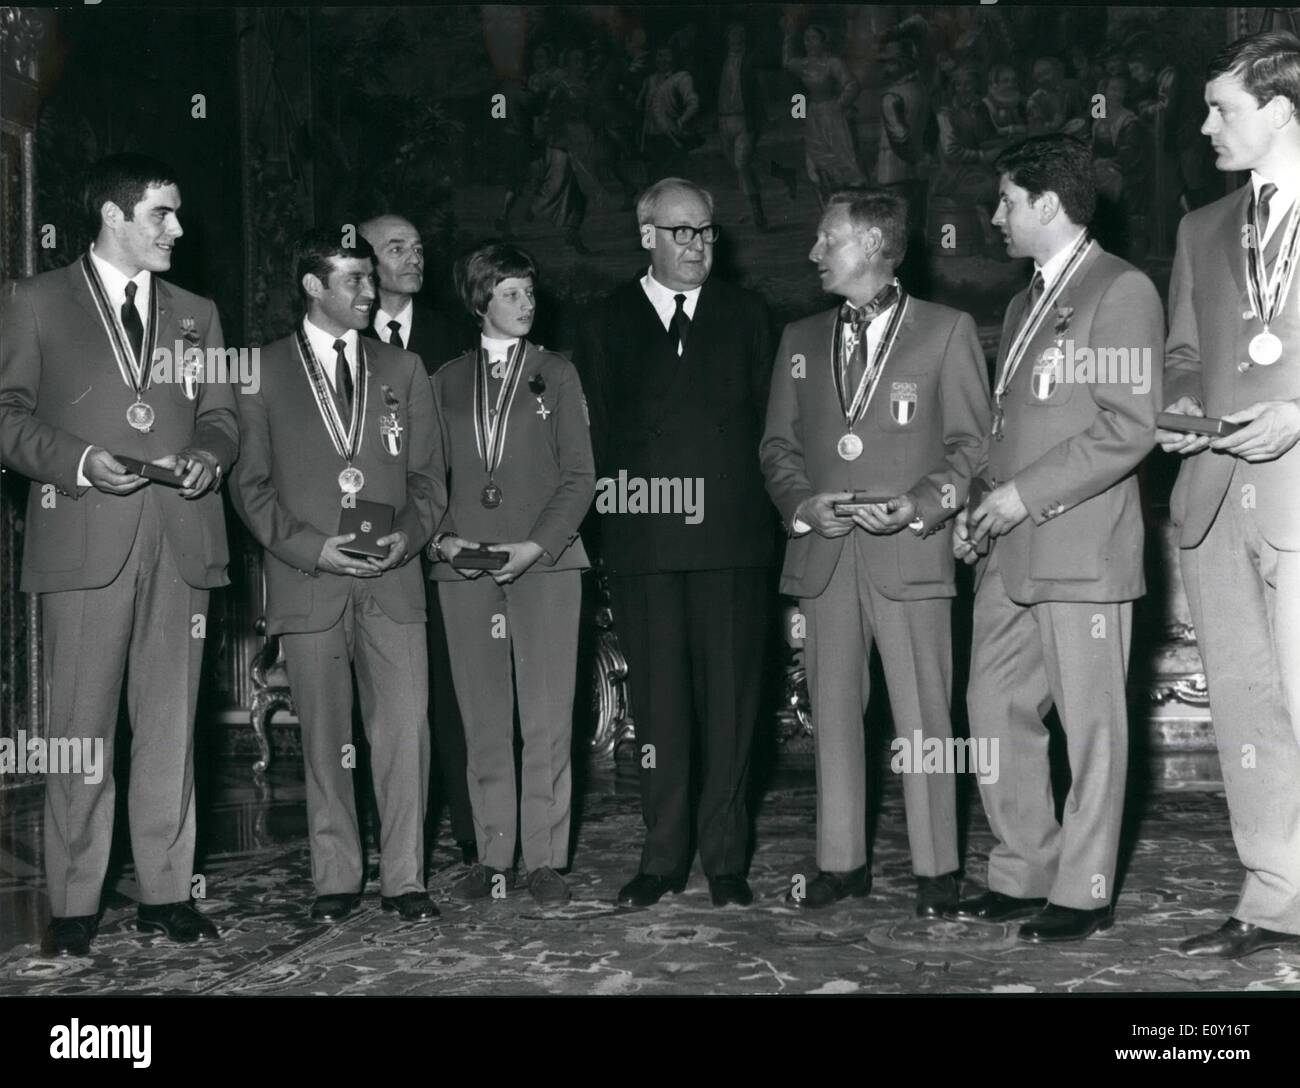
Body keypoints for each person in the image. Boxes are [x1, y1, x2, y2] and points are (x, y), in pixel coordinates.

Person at [0, 153, 235, 956]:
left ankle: (168, 893)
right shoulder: (35, 302)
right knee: (81, 730)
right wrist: (75, 461)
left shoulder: (198, 311)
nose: (177, 229)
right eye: (161, 215)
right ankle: (73, 903)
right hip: (85, 534)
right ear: (111, 215)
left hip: (181, 540)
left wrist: (211, 451)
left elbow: (224, 413)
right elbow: (6, 414)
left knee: (171, 727)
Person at [950, 134, 1162, 942]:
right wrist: (982, 507)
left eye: (1006, 200)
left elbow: (1128, 425)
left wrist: (1019, 497)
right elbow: (1014, 425)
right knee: (993, 709)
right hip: (1010, 548)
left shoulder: (1120, 289)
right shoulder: (1023, 299)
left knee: (1092, 722)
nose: (996, 216)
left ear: (1045, 203)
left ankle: (1085, 885)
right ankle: (1024, 869)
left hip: (1080, 548)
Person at [761, 188, 990, 916]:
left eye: (827, 239)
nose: (814, 253)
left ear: (871, 245)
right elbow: (777, 448)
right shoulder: (798, 337)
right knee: (830, 715)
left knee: (926, 717)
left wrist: (921, 506)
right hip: (825, 557)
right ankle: (841, 862)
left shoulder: (946, 332)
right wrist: (802, 505)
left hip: (911, 556)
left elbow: (972, 450)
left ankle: (937, 871)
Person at [230, 227, 442, 924]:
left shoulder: (403, 369)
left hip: (392, 580)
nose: (368, 291)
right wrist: (312, 549)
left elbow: (428, 482)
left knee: (406, 730)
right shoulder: (261, 371)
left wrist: (406, 541)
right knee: (326, 737)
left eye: (370, 278)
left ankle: (407, 880)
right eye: (352, 279)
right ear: (313, 287)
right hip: (310, 578)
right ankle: (336, 878)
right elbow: (251, 488)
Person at [574, 178, 775, 909]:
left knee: (731, 705)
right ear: (647, 235)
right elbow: (593, 438)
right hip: (645, 543)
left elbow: (767, 430)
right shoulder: (603, 321)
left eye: (707, 232)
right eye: (683, 232)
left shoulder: (749, 314)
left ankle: (726, 859)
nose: (697, 246)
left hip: (732, 541)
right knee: (657, 710)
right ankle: (661, 857)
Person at [1157, 30, 1300, 959]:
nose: (1206, 125)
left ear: (1284, 109)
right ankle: (1273, 895)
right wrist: (1172, 407)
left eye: (1224, 108)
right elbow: (1177, 356)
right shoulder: (1201, 228)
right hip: (1215, 498)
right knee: (1247, 711)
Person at [428, 243, 594, 907]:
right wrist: (439, 542)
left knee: (548, 715)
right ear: (480, 301)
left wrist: (538, 546)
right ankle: (492, 854)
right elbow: (422, 476)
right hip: (464, 567)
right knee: (483, 717)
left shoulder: (557, 374)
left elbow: (581, 477)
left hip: (545, 564)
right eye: (510, 294)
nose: (526, 305)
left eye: (530, 293)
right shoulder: (442, 380)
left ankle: (545, 860)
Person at [357, 213, 476, 867]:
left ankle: (462, 823)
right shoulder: (341, 337)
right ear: (366, 263)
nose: (413, 257)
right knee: (380, 692)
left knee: (452, 682)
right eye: (395, 248)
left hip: (450, 530)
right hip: (374, 526)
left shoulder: (458, 337)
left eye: (419, 246)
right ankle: (382, 828)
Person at [781, 18, 866, 204]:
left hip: (832, 114)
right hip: (814, 114)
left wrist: (839, 106)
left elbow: (852, 85)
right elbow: (787, 62)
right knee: (816, 161)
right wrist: (788, 34)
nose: (809, 43)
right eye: (806, 39)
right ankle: (825, 203)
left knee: (840, 157)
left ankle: (849, 200)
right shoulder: (804, 64)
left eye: (813, 38)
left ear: (823, 41)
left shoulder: (833, 63)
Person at [638, 45, 702, 183]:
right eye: (660, 55)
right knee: (653, 180)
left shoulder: (681, 79)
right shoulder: (649, 80)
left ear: (673, 58)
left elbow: (693, 103)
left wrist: (680, 122)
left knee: (674, 179)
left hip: (672, 139)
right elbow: (644, 110)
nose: (663, 59)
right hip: (651, 137)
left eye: (667, 55)